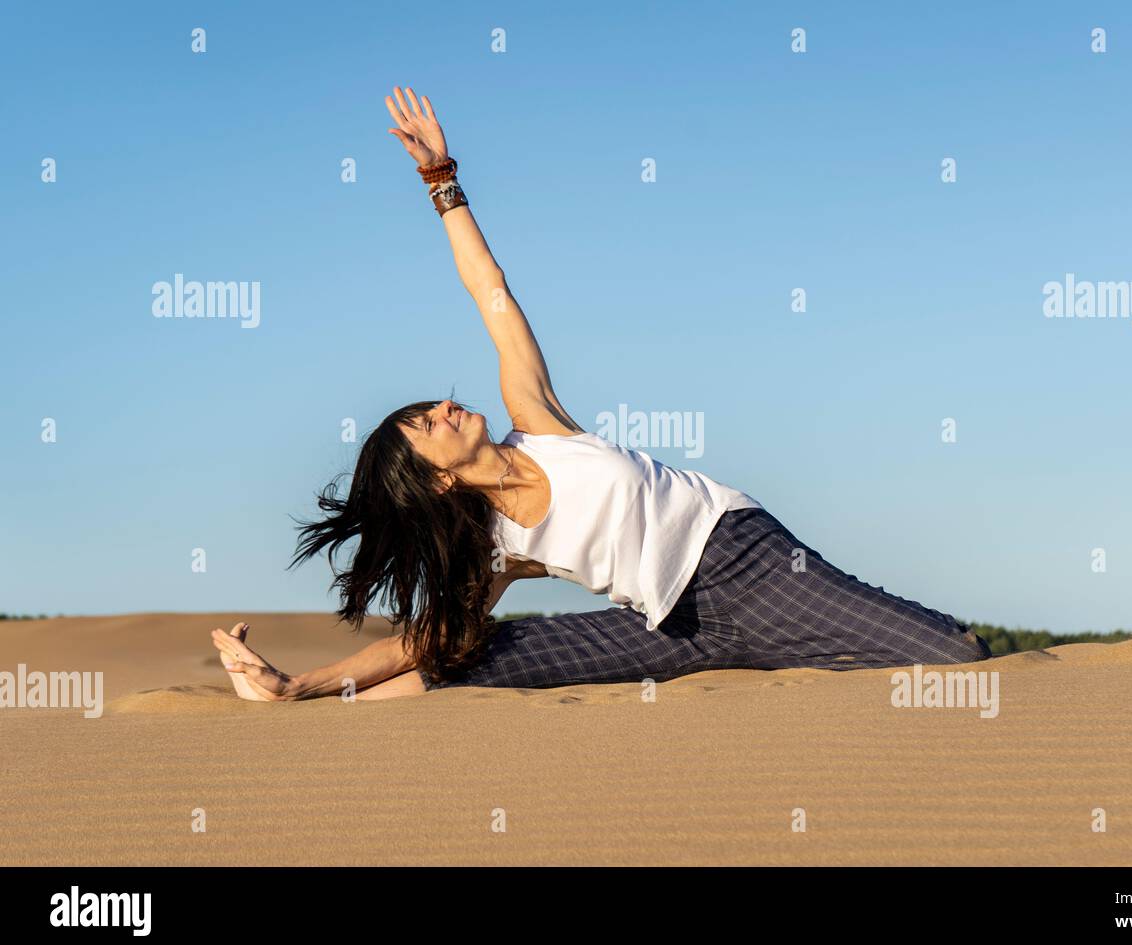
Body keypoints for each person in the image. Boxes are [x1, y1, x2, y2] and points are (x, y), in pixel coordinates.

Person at [210, 87, 991, 702]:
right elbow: (424, 639)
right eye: (427, 426)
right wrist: (296, 685)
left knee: (956, 657)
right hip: (668, 629)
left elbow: (493, 294)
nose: (444, 407)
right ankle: (291, 710)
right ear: (437, 479)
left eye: (432, 404)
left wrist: (440, 182)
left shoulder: (535, 422)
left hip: (743, 561)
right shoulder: (497, 550)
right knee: (461, 664)